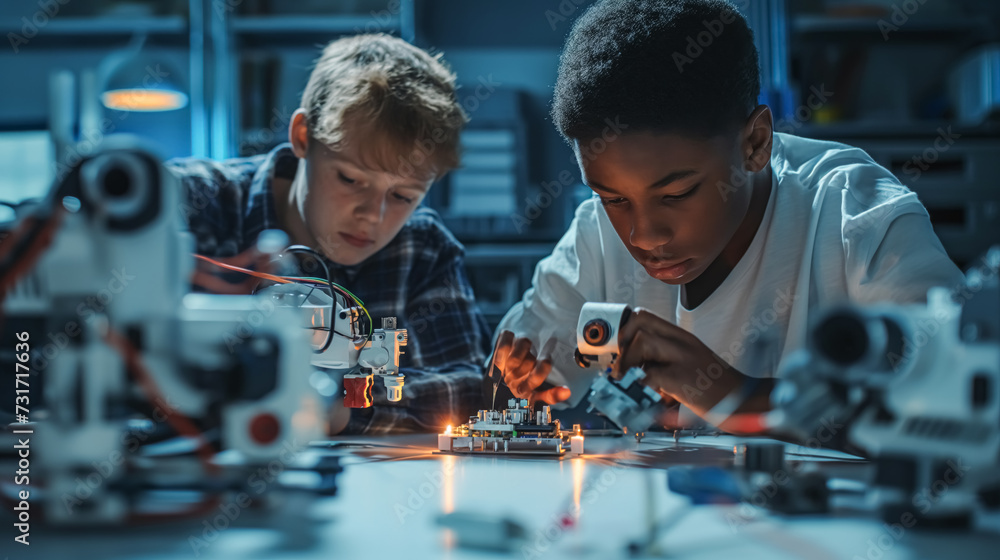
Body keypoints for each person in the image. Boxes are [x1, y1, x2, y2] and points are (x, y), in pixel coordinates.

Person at [490, 0, 963, 433]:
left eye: (677, 193)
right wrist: (525, 373)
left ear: (755, 142)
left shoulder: (853, 214)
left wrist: (732, 395)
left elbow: (958, 394)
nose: (645, 236)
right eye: (614, 199)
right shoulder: (597, 232)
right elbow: (517, 355)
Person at [168, 33, 491, 434]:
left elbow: (471, 389)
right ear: (304, 136)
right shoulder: (185, 204)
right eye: (350, 179)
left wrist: (341, 411)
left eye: (404, 196)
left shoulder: (423, 248)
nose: (372, 215)